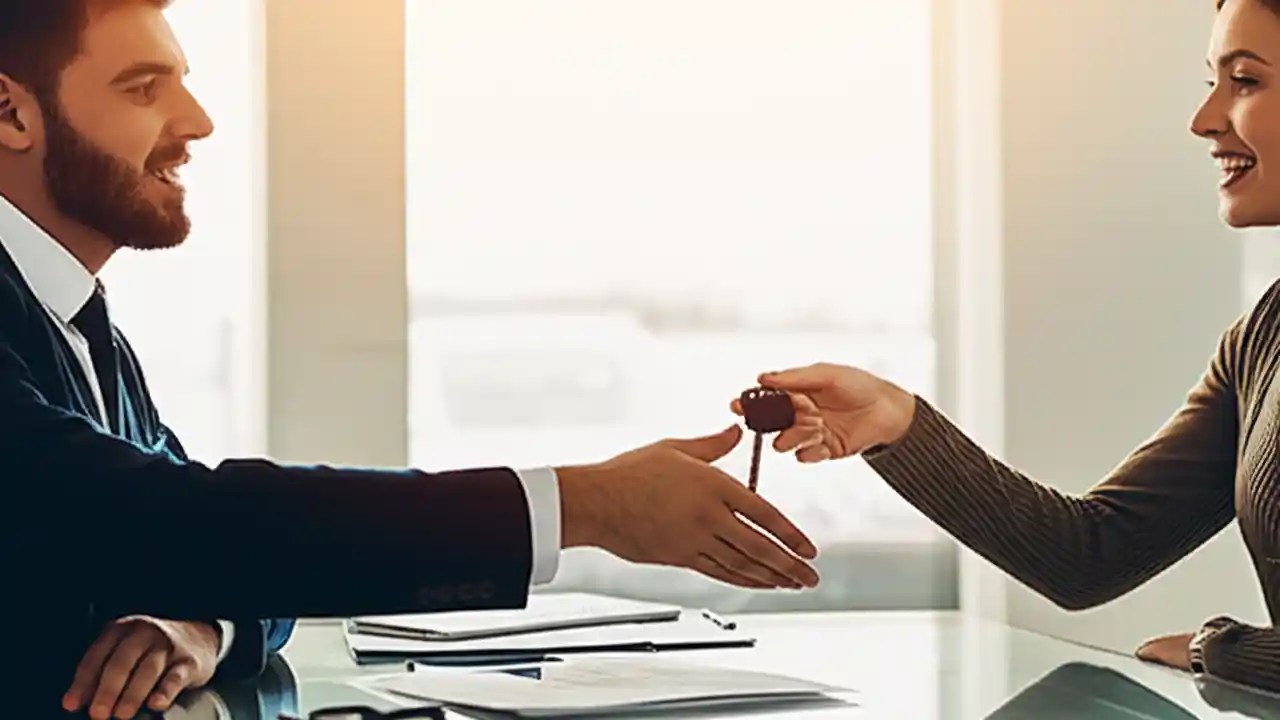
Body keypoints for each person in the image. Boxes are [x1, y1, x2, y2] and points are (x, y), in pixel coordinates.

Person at [0, 1, 821, 717]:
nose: (198, 120)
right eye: (144, 88)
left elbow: (224, 547)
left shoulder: (75, 317)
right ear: (11, 114)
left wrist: (204, 625)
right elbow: (172, 523)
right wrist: (587, 505)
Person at [732, 0, 1280, 696]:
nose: (1203, 120)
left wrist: (1223, 652)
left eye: (1246, 81)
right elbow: (1089, 555)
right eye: (1213, 81)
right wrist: (898, 424)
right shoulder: (1265, 338)